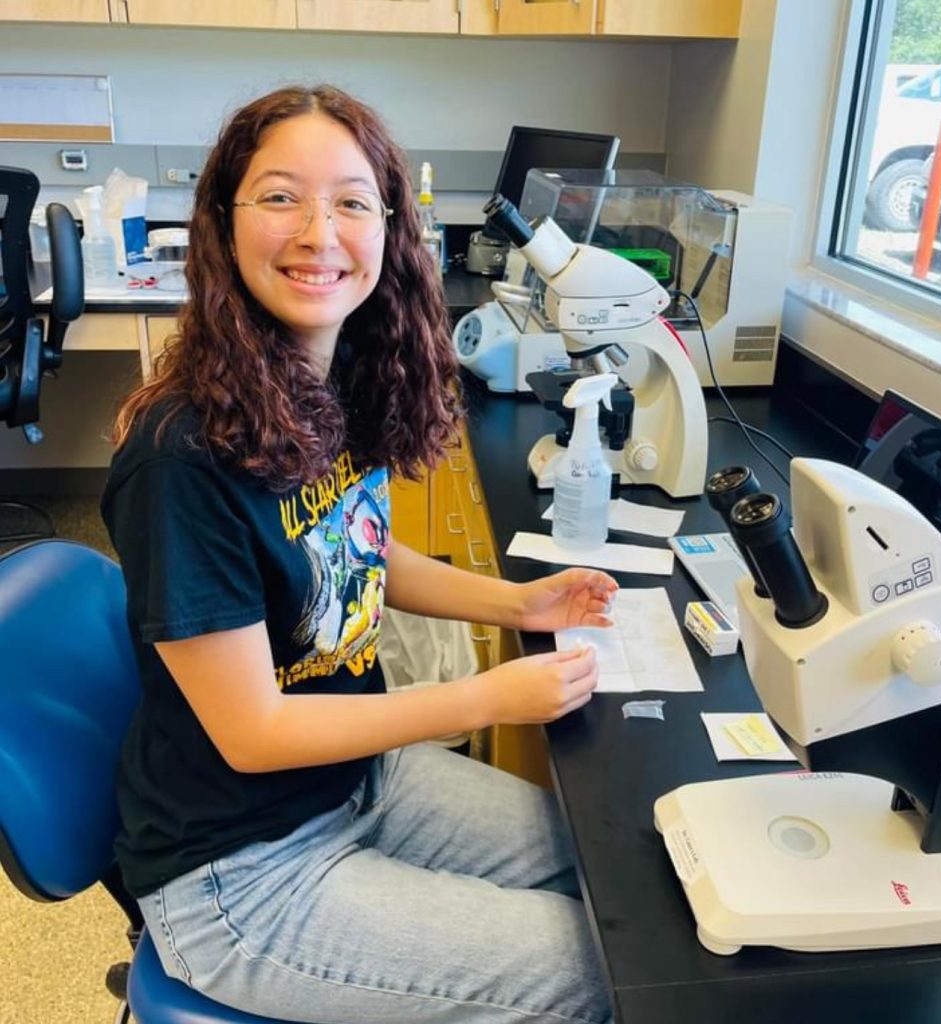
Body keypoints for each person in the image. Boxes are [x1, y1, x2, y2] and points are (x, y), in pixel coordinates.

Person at [101, 84, 618, 1024]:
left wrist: (521, 604)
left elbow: (355, 556)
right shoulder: (182, 455)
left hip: (357, 784)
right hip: (240, 875)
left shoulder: (317, 380)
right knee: (597, 977)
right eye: (280, 196)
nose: (317, 230)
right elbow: (251, 731)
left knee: (618, 878)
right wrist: (483, 699)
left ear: (391, 226)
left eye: (349, 201)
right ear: (224, 220)